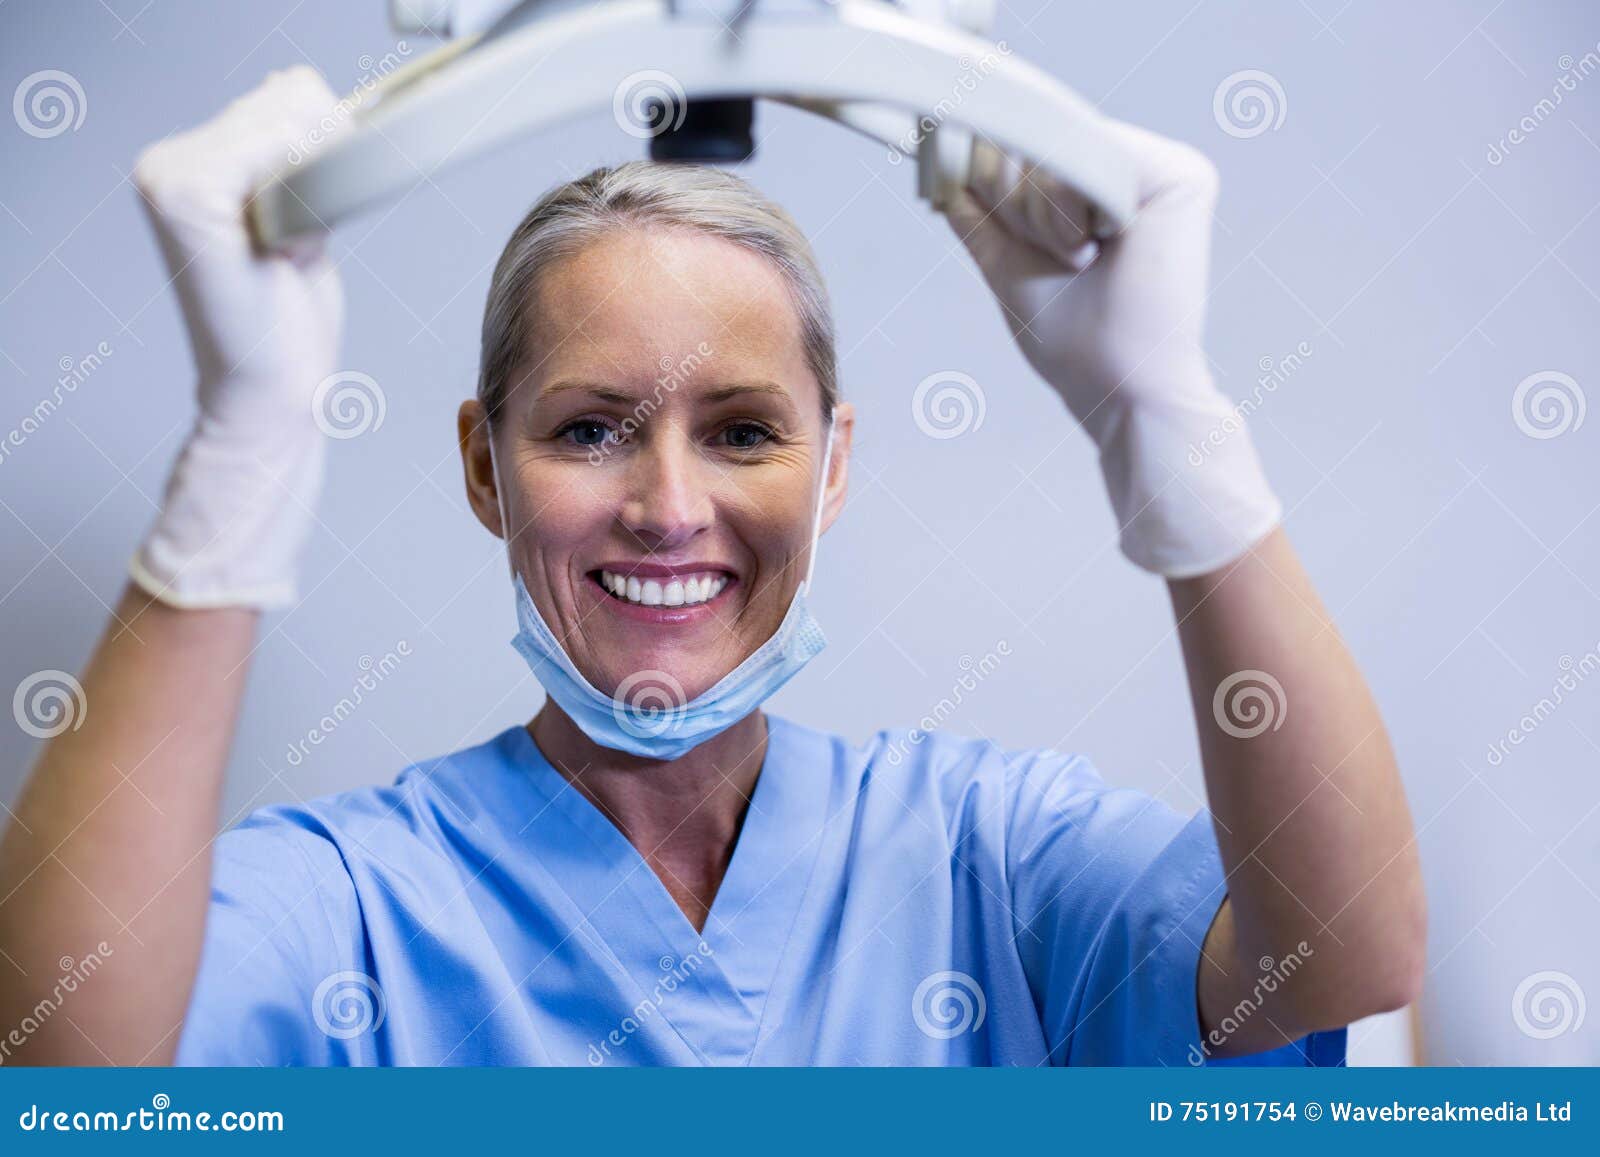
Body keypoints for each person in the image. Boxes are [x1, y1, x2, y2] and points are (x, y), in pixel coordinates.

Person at [0, 66, 1424, 1066]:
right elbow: (57, 1064)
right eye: (590, 429)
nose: (668, 505)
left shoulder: (987, 856)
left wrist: (1167, 418)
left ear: (834, 465)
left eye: (742, 431)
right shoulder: (362, 907)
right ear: (485, 467)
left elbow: (1345, 957)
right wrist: (243, 442)